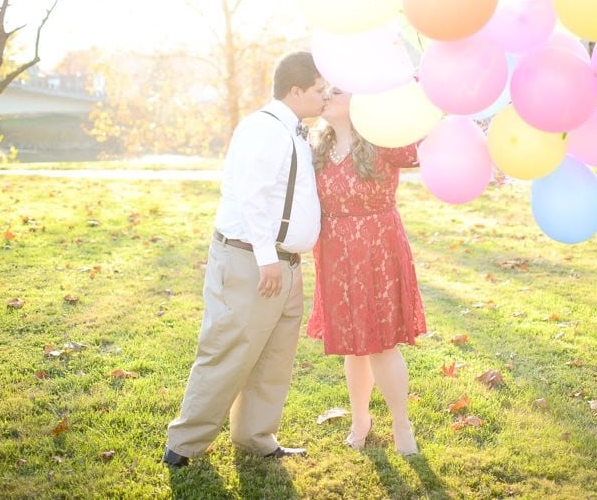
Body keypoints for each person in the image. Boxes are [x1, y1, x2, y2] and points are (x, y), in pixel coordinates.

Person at [163, 51, 328, 468]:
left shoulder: (296, 131)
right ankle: (184, 443)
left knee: (274, 356)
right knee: (229, 349)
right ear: (295, 91)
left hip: (287, 263)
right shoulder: (264, 129)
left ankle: (255, 435)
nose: (324, 97)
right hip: (255, 262)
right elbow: (251, 196)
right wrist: (268, 258)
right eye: (319, 90)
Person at [306, 86, 426, 456]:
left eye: (336, 91)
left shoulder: (381, 141)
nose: (326, 96)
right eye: (324, 90)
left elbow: (423, 149)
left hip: (378, 249)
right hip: (336, 254)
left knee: (381, 343)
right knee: (353, 347)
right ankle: (361, 420)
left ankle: (401, 425)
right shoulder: (317, 148)